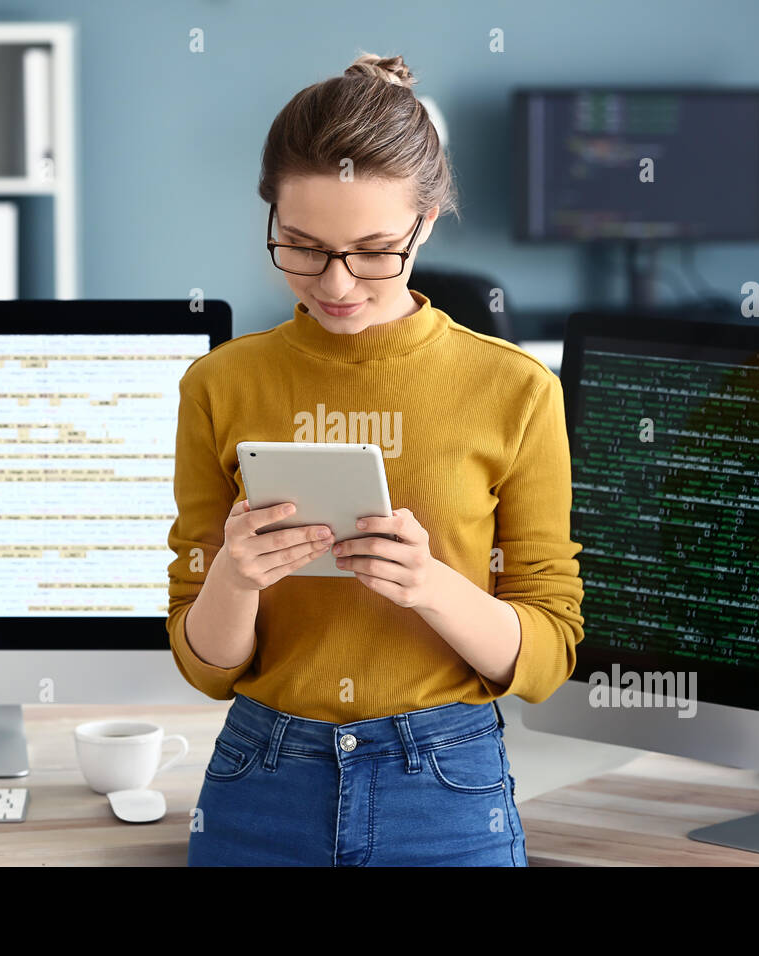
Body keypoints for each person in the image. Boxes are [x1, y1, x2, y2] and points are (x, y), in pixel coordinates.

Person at [165, 51, 585, 866]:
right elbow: (207, 667)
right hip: (261, 773)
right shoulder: (219, 384)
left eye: (373, 249)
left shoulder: (517, 389)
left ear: (426, 222)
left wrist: (430, 586)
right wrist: (233, 579)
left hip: (445, 780)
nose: (337, 282)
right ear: (272, 218)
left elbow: (545, 657)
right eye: (301, 246)